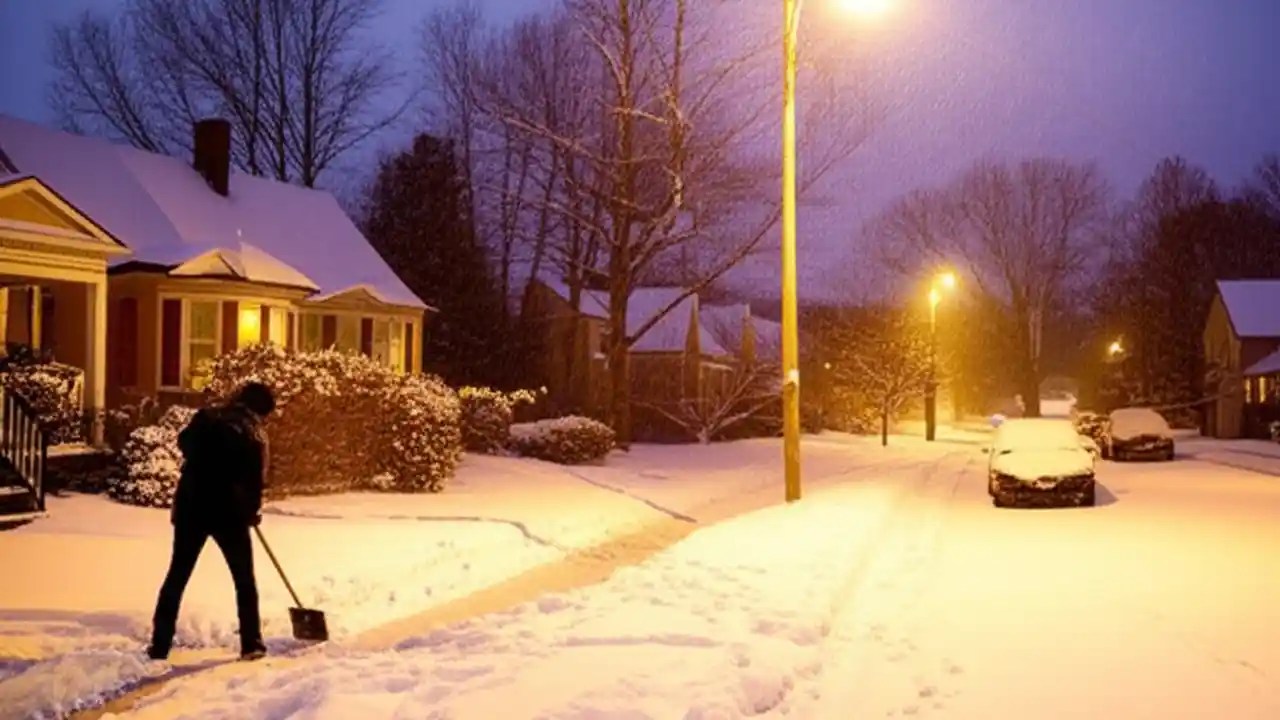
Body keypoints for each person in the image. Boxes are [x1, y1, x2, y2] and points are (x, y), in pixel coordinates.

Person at [147, 381, 275, 662]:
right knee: (244, 579)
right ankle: (251, 643)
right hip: (229, 513)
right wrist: (252, 510)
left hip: (191, 507)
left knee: (177, 575)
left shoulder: (207, 417)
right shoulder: (254, 433)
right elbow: (256, 480)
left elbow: (184, 444)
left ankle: (159, 644)